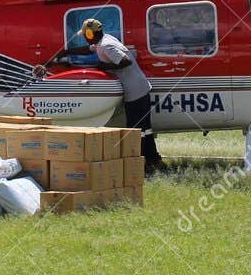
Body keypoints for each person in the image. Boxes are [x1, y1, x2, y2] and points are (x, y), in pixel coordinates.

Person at [47, 17, 165, 173]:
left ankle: (141, 165)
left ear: (90, 34)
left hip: (135, 91)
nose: (84, 37)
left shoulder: (106, 45)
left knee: (136, 129)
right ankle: (154, 159)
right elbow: (88, 49)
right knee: (145, 128)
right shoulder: (104, 40)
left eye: (85, 35)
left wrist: (105, 66)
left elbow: (126, 61)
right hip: (141, 87)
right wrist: (66, 51)